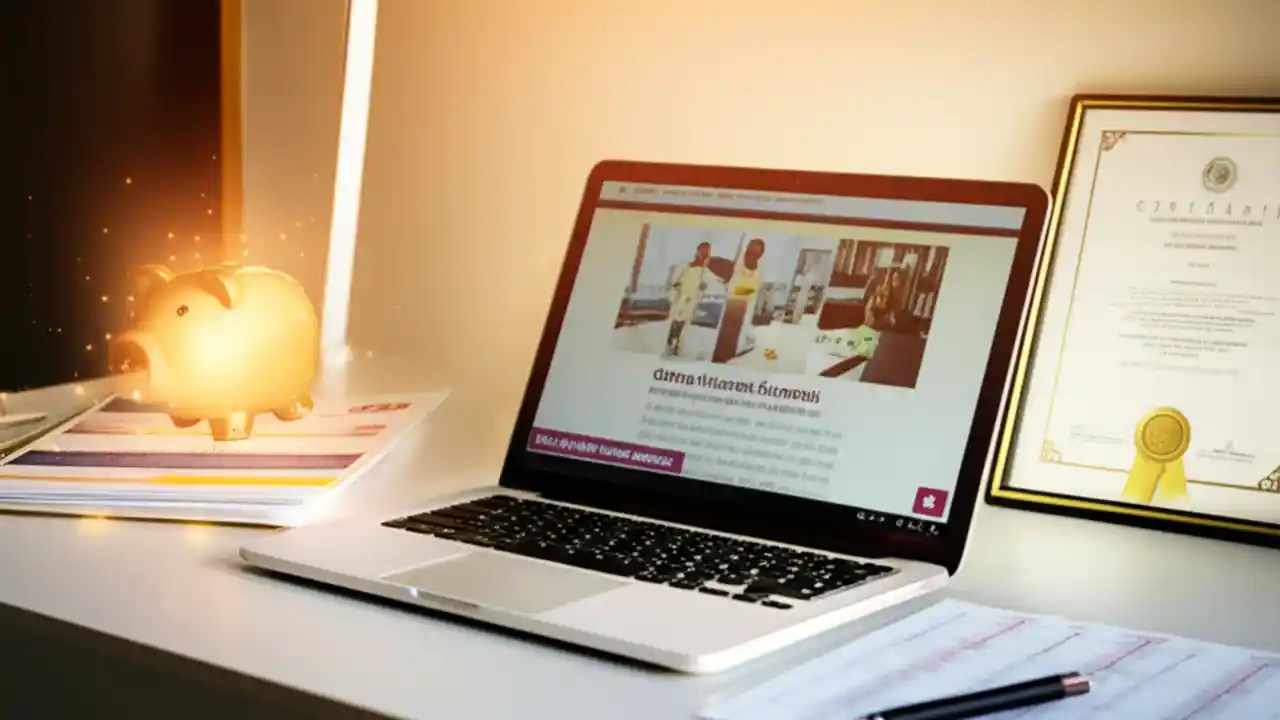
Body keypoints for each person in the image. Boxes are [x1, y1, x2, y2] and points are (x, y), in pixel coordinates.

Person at [666, 242, 711, 356]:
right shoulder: (686, 265)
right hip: (681, 297)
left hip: (691, 299)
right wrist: (677, 285)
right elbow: (675, 281)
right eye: (702, 251)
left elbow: (704, 286)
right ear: (697, 251)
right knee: (677, 319)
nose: (704, 254)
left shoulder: (704, 271)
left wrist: (703, 286)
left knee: (683, 322)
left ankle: (676, 345)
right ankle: (671, 341)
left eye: (706, 252)